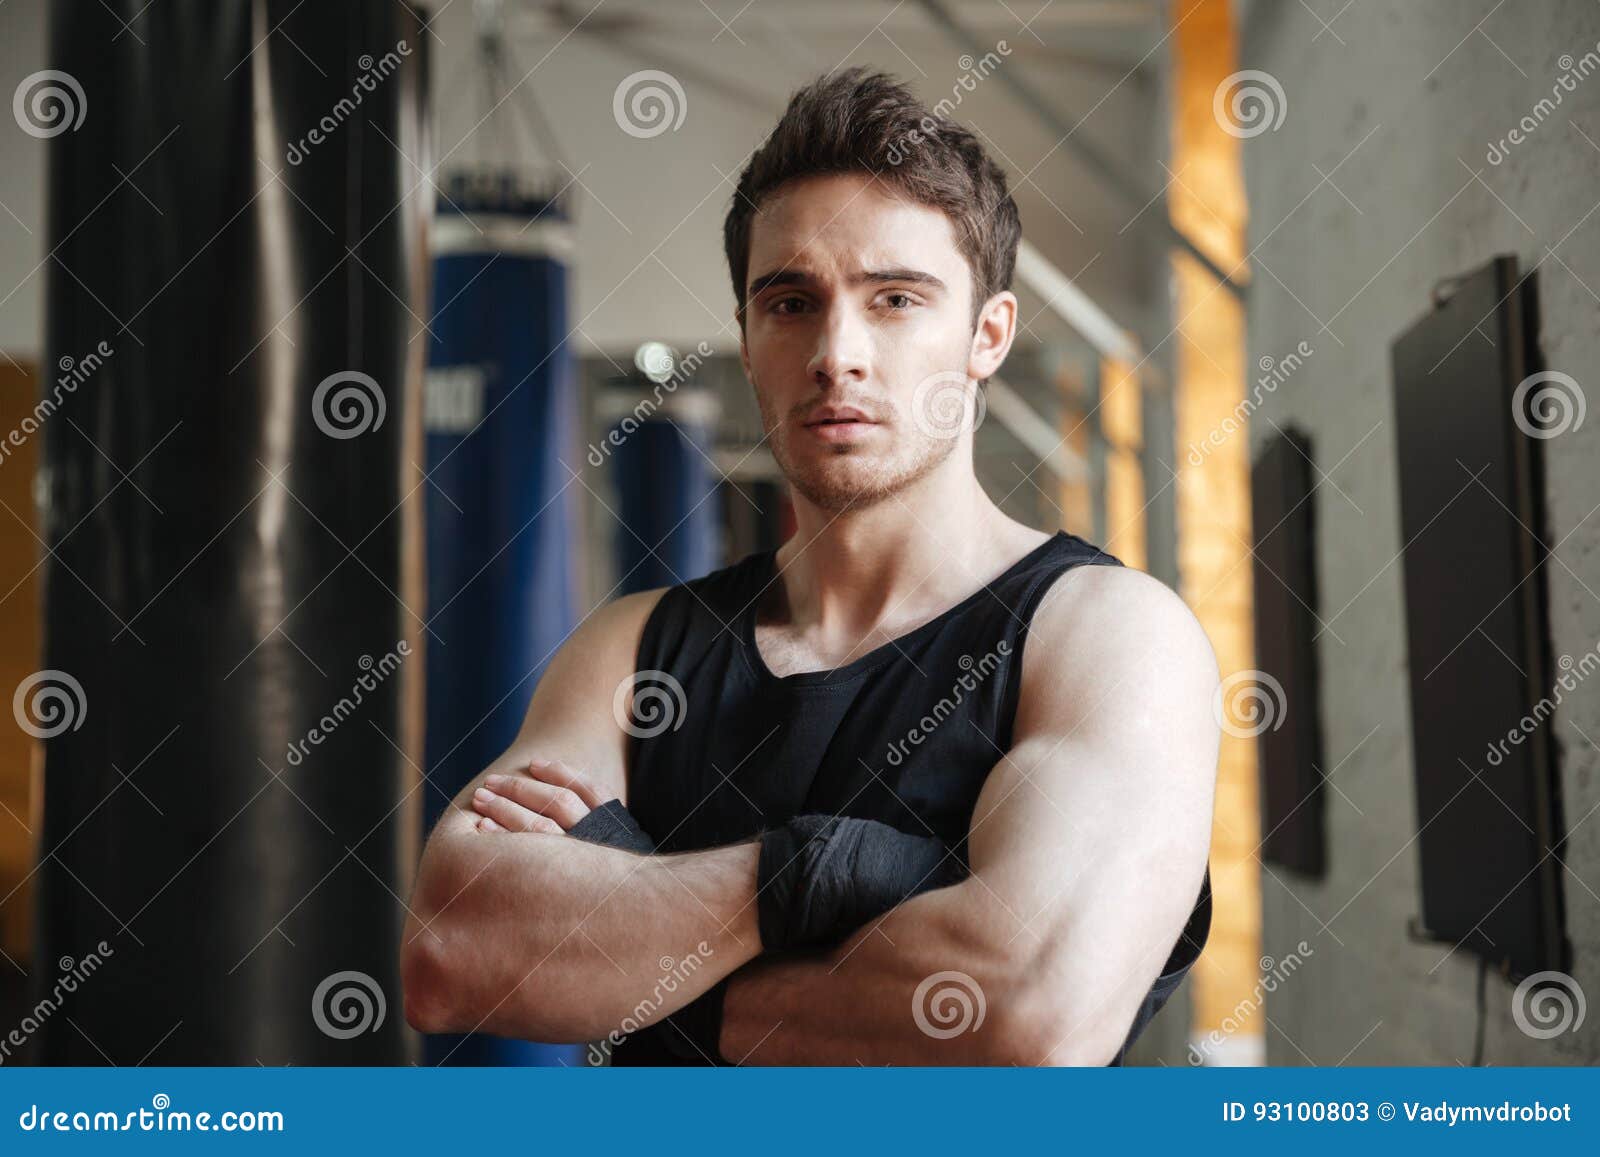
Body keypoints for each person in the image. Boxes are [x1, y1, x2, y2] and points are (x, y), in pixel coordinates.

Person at [401, 67, 1219, 1066]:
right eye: (791, 301)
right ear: (746, 337)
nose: (837, 351)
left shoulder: (1104, 636)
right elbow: (456, 952)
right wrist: (815, 873)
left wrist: (636, 963)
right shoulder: (635, 647)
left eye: (895, 299)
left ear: (986, 335)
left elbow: (1024, 1015)